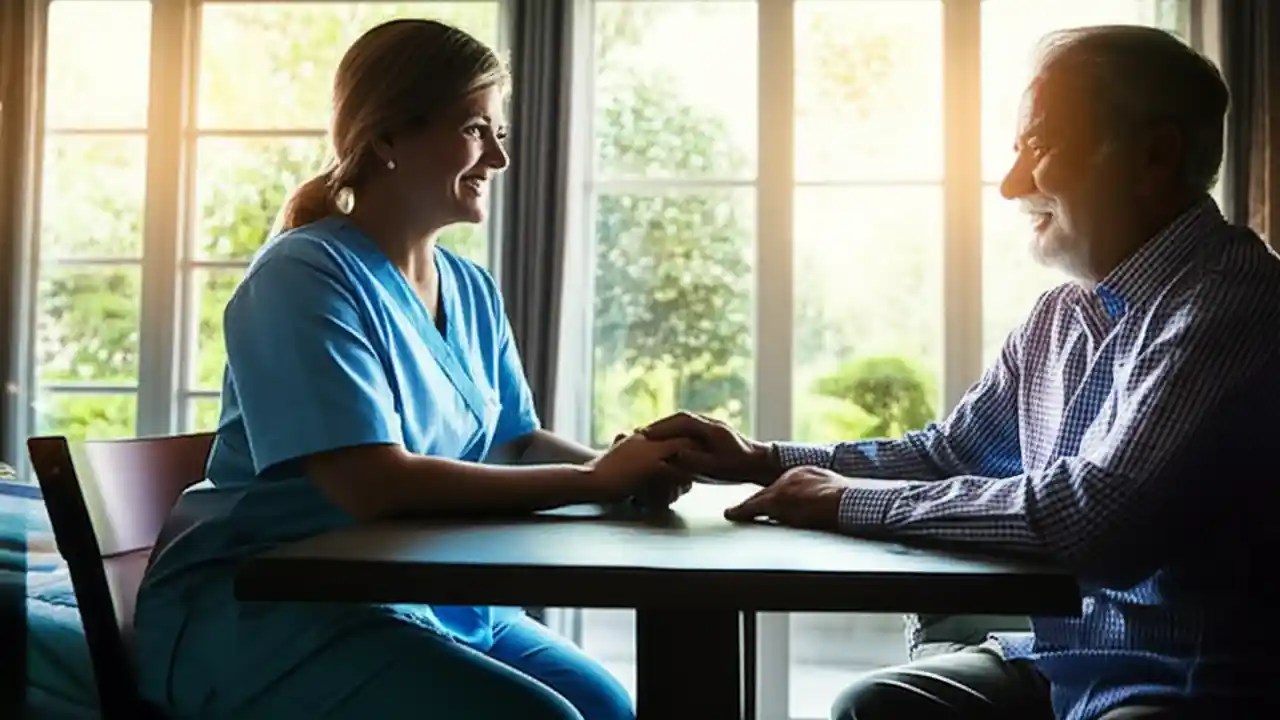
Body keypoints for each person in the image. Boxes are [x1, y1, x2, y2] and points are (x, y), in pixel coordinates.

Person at [643, 25, 1280, 720]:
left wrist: (843, 499)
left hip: (1187, 689)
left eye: (1040, 145)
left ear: (1155, 155)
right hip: (1065, 666)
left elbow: (1096, 519)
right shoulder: (1059, 316)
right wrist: (764, 460)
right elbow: (946, 455)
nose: (1010, 185)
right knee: (875, 706)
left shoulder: (1234, 302)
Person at [133, 19, 691, 720]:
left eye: (499, 133)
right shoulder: (302, 278)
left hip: (422, 599)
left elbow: (515, 442)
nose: (498, 158)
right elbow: (371, 484)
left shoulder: (470, 287)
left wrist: (632, 470)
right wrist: (592, 481)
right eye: (474, 129)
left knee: (606, 706)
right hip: (272, 612)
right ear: (388, 136)